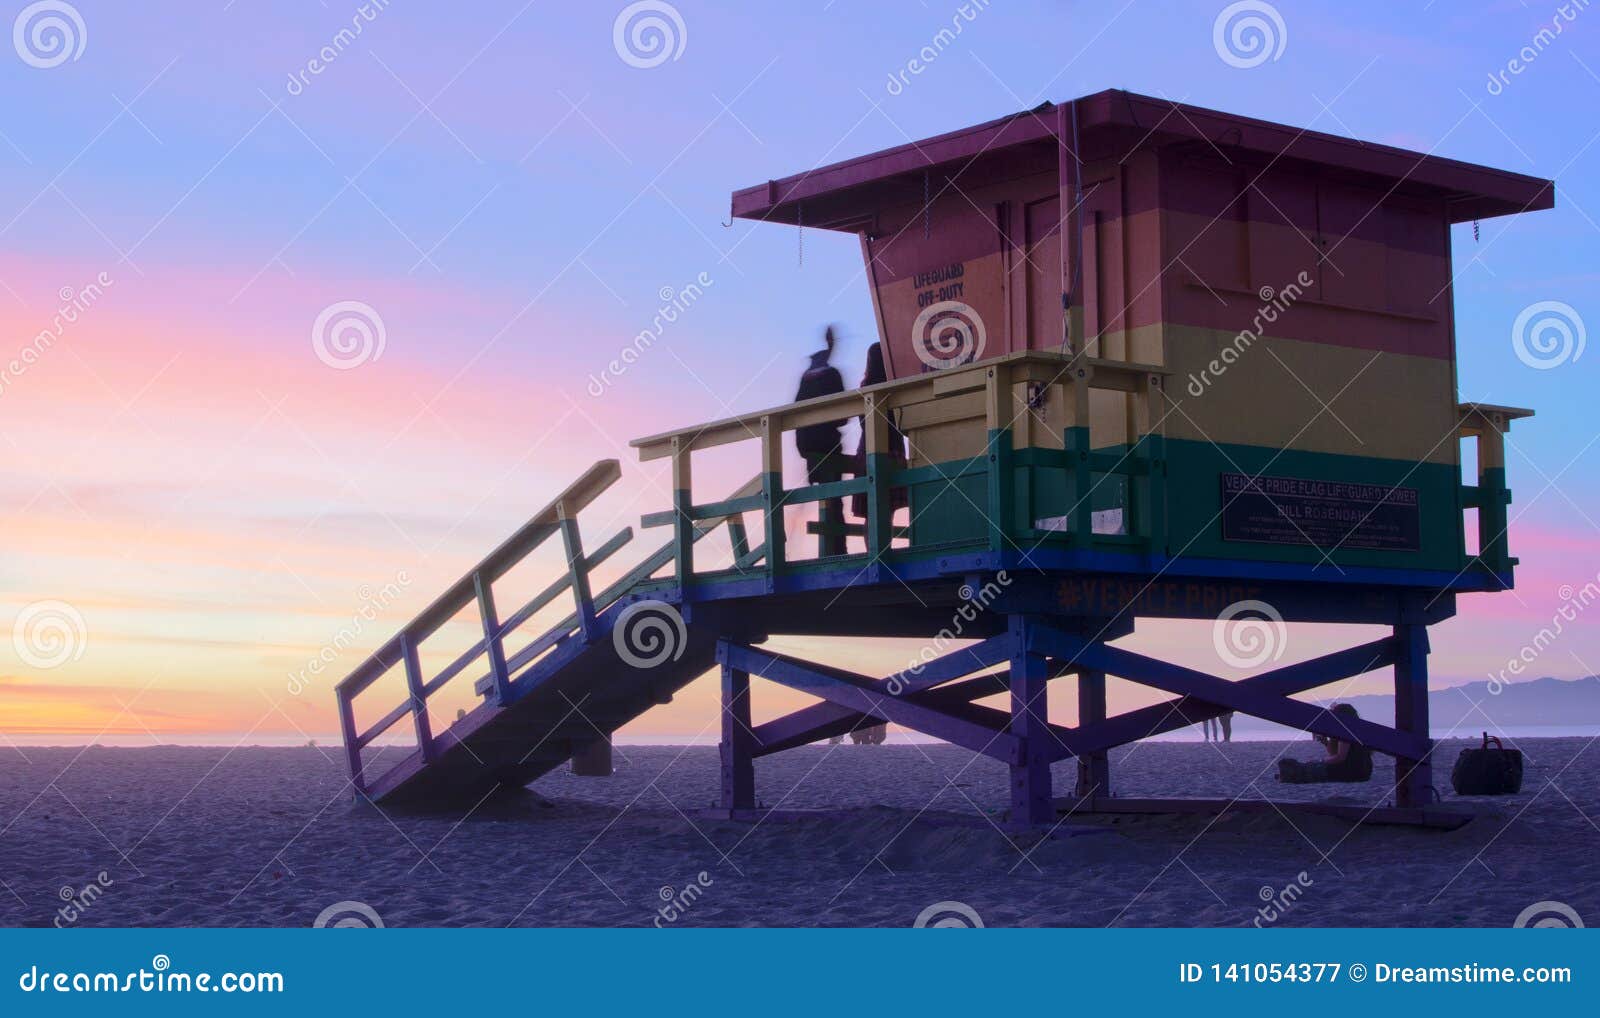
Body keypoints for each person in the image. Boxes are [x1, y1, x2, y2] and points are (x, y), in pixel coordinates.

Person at [794, 326, 850, 556]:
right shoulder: (832, 375)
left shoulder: (805, 381)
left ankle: (828, 551)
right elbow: (843, 416)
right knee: (834, 500)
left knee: (824, 499)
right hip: (829, 445)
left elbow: (796, 414)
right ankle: (837, 552)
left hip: (809, 447)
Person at [849, 342, 909, 522]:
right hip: (894, 450)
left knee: (871, 514)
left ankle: (874, 541)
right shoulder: (894, 388)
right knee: (887, 510)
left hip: (867, 451)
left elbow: (863, 424)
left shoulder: (864, 388)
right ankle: (882, 540)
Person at [1277, 704, 1373, 783]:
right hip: (1362, 772)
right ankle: (1288, 775)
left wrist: (1320, 762)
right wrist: (1326, 742)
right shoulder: (1357, 729)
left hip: (1350, 772)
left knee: (1288, 763)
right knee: (1306, 767)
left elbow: (1340, 757)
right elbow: (1334, 754)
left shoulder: (1345, 731)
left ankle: (1288, 775)